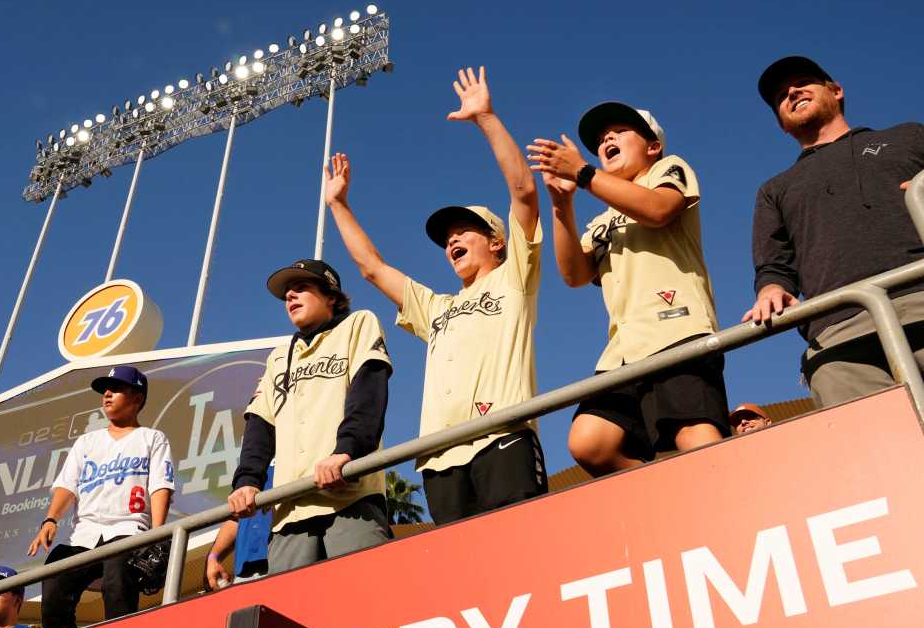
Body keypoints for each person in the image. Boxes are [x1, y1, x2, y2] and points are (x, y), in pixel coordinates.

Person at [323, 66, 547, 525]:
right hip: (439, 459)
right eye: (446, 238)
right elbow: (372, 268)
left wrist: (485, 117)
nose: (452, 241)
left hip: (502, 437)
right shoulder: (436, 307)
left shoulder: (514, 278)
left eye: (465, 231)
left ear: (498, 242)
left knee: (520, 558)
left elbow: (524, 190)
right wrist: (338, 206)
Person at [528, 102, 728, 476]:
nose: (607, 138)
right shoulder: (602, 218)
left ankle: (729, 508)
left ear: (652, 146)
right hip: (622, 350)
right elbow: (573, 274)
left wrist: (584, 174)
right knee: (589, 442)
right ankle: (663, 491)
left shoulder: (667, 170)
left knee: (694, 435)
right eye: (602, 137)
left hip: (675, 329)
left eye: (620, 131)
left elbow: (658, 210)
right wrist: (561, 205)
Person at [745, 55, 924, 408]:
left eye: (802, 82)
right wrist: (771, 288)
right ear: (782, 124)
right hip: (838, 333)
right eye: (782, 96)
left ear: (837, 91)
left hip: (919, 295)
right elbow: (774, 264)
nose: (792, 92)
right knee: (880, 454)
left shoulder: (909, 136)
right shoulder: (774, 189)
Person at [206, 259, 392, 588]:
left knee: (364, 605)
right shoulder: (279, 355)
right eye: (286, 294)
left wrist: (347, 451)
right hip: (290, 512)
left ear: (331, 296)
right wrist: (247, 481)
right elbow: (260, 424)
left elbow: (368, 392)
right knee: (291, 621)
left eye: (302, 288)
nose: (290, 296)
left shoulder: (358, 324)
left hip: (349, 497)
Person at [28, 365, 175, 628]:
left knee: (116, 578)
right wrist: (51, 519)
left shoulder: (152, 438)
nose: (107, 394)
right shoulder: (87, 442)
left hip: (128, 530)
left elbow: (160, 486)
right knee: (56, 575)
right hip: (85, 536)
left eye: (116, 389)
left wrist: (157, 533)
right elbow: (67, 486)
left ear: (137, 398)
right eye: (104, 390)